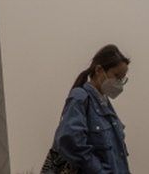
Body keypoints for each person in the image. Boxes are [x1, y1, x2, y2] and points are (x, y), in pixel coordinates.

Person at [51, 44, 132, 174]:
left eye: (122, 79)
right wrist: (99, 171)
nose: (119, 83)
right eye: (116, 76)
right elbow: (69, 141)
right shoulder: (80, 97)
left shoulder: (105, 105)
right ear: (99, 70)